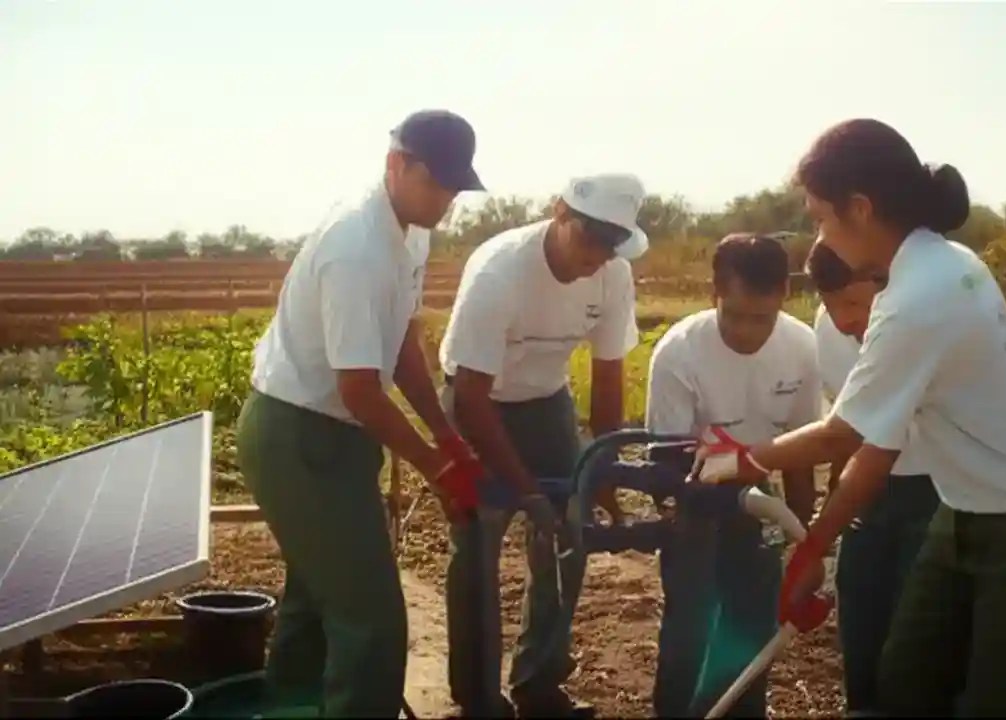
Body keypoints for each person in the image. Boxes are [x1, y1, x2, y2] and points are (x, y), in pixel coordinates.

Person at [694, 118, 1006, 717]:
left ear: (859, 209)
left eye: (821, 218)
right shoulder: (942, 261)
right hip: (964, 514)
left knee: (994, 704)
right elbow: (878, 445)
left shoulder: (919, 299)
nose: (820, 235)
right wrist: (816, 547)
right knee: (905, 685)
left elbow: (844, 433)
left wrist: (742, 458)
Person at [236, 109, 487, 718]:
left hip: (336, 437)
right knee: (371, 620)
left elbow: (400, 344)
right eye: (435, 182)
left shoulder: (412, 233)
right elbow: (359, 390)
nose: (445, 199)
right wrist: (435, 467)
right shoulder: (356, 247)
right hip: (298, 436)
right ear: (395, 164)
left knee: (314, 599)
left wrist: (447, 435)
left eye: (455, 187)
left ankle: (288, 707)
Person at [438, 173, 648, 718]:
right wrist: (526, 491)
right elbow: (471, 398)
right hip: (480, 402)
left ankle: (538, 682)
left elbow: (607, 377)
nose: (597, 255)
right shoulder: (500, 271)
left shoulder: (612, 276)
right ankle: (479, 699)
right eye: (589, 237)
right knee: (479, 547)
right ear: (559, 212)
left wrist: (600, 466)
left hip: (547, 399)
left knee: (566, 535)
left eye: (611, 244)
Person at [646, 232, 822, 718]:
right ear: (714, 294)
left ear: (784, 296)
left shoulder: (802, 348)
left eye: (761, 319)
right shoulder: (678, 352)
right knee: (690, 625)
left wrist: (800, 535)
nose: (747, 332)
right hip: (693, 493)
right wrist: (691, 520)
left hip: (759, 490)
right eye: (735, 316)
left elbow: (802, 450)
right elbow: (666, 464)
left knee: (752, 622)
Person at [805, 241, 939, 715]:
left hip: (941, 488)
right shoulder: (827, 330)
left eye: (856, 305)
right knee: (859, 614)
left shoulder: (921, 319)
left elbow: (862, 439)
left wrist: (753, 459)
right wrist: (833, 515)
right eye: (831, 305)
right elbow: (851, 432)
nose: (844, 320)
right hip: (870, 489)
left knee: (916, 639)